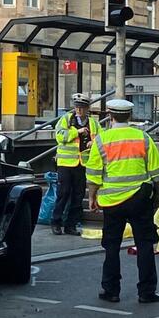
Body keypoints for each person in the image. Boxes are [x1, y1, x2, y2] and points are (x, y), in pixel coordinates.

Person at [85, 99, 159, 304]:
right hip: (139, 198)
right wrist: (157, 195)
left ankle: (111, 290)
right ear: (129, 116)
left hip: (112, 202)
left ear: (110, 116)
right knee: (145, 244)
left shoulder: (102, 140)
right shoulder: (143, 138)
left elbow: (93, 174)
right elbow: (156, 172)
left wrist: (92, 197)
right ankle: (147, 292)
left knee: (111, 246)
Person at [52, 93, 101, 236]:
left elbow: (101, 137)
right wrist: (76, 131)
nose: (79, 110)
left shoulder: (93, 123)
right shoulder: (66, 119)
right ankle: (56, 222)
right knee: (63, 193)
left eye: (82, 107)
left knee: (78, 195)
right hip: (65, 163)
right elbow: (59, 136)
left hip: (82, 163)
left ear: (87, 108)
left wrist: (94, 142)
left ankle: (71, 225)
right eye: (77, 107)